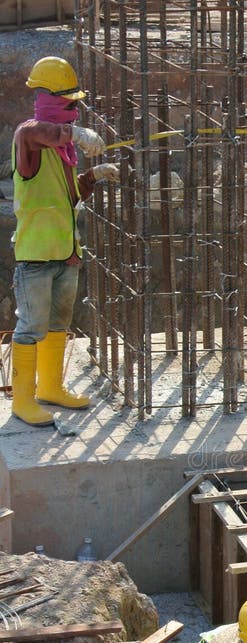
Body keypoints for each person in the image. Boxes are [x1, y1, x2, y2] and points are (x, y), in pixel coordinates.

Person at [10, 56, 119, 427]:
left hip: (66, 253)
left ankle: (51, 388)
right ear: (47, 98)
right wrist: (76, 134)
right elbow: (33, 133)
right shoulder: (29, 138)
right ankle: (22, 401)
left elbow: (69, 196)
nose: (74, 109)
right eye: (69, 103)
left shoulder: (63, 152)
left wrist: (92, 177)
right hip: (36, 255)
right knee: (31, 327)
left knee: (58, 325)